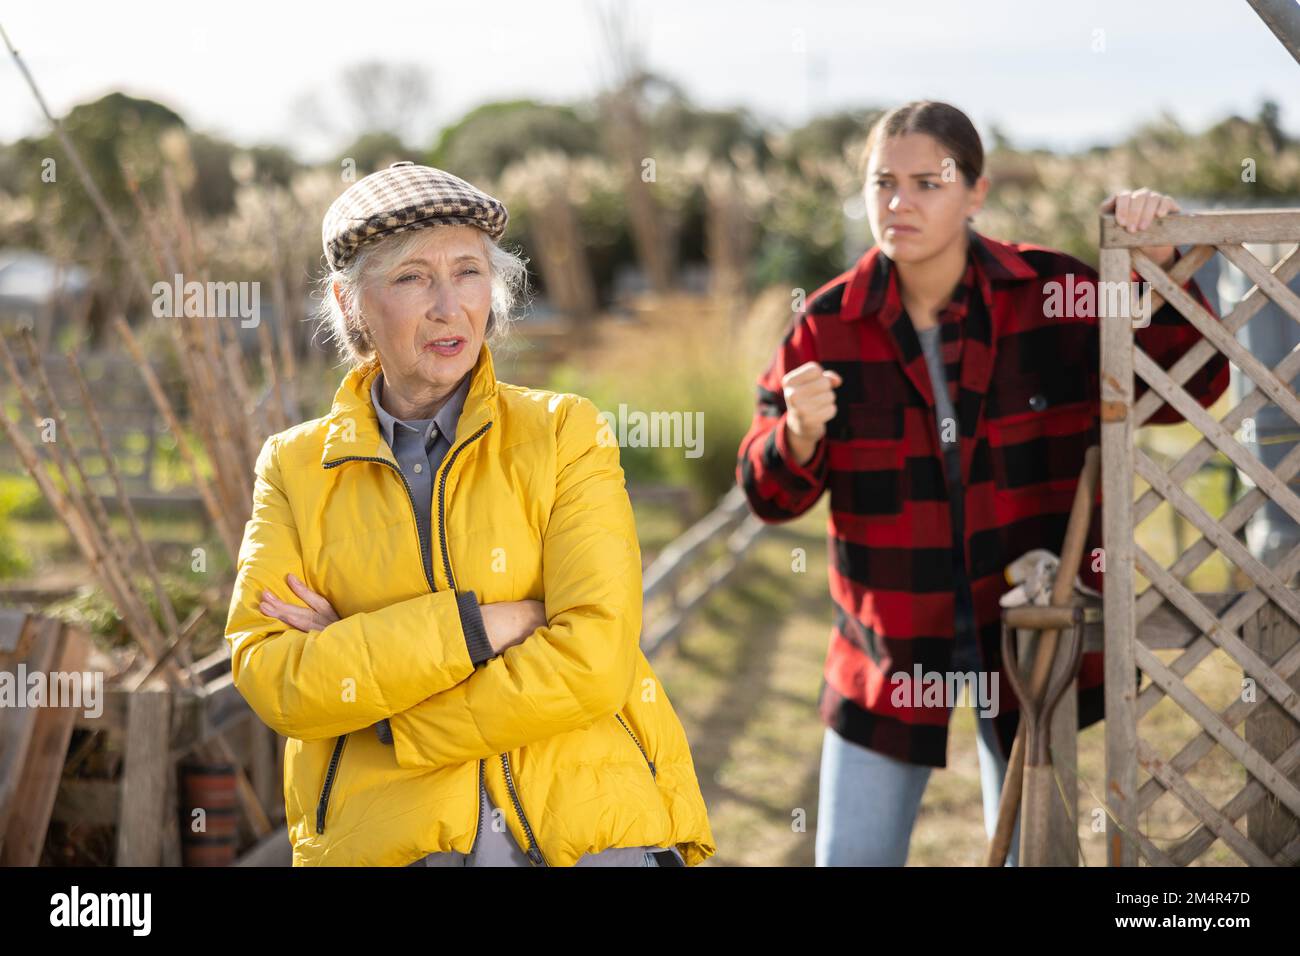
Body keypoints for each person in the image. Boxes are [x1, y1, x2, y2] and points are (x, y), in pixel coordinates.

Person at [735, 101, 1229, 866]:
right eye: (882, 182)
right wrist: (797, 435)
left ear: (976, 191)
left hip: (1033, 646)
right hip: (887, 652)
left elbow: (1192, 388)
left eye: (927, 182)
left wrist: (1162, 261)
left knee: (1036, 859)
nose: (898, 203)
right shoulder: (825, 325)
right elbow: (768, 495)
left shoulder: (1051, 292)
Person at [224, 161, 715, 867]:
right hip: (391, 842)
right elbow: (276, 677)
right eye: (411, 277)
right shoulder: (294, 468)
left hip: (589, 830)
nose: (448, 307)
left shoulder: (564, 432)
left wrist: (391, 710)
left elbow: (596, 658)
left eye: (468, 273)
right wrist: (487, 624)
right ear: (349, 300)